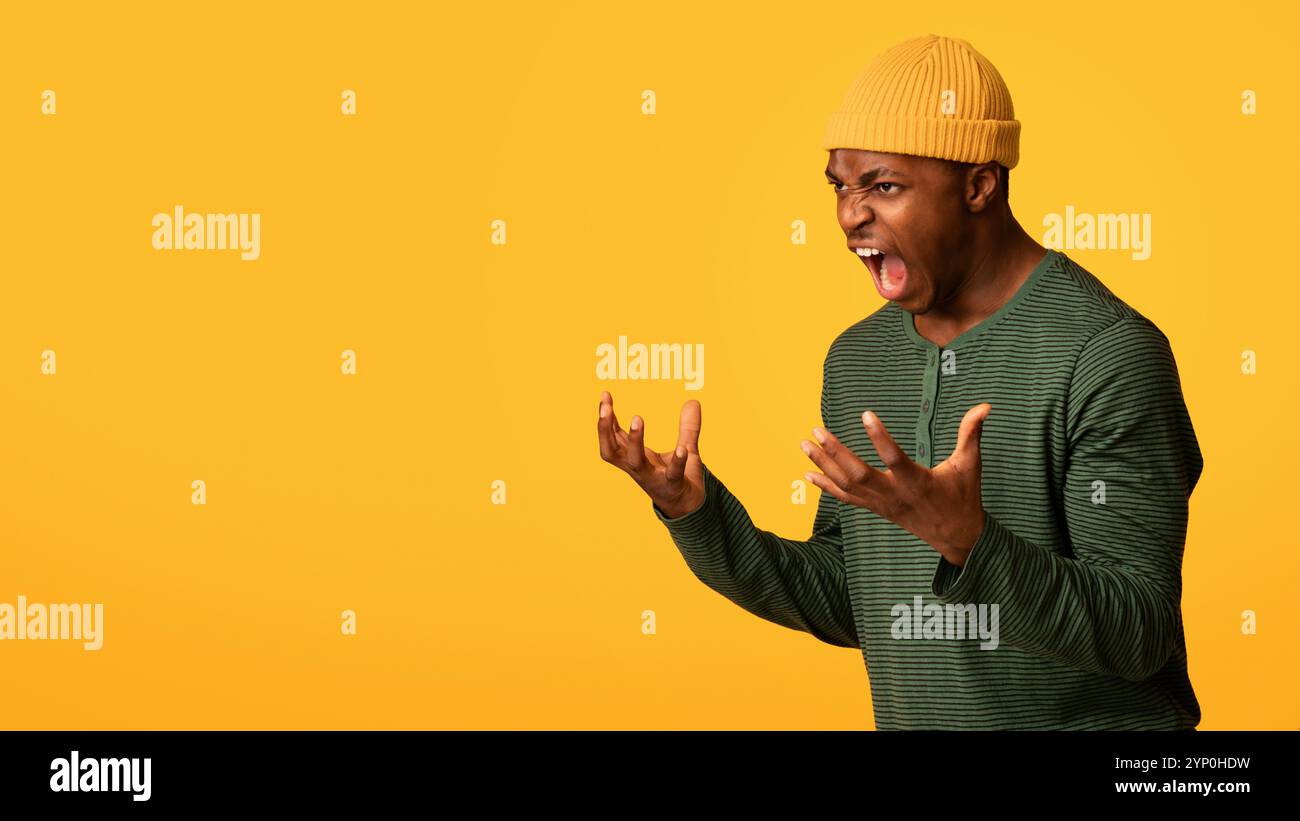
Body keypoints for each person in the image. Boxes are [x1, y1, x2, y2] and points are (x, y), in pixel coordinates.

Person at [595, 34, 1203, 730]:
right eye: (840, 186)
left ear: (979, 185)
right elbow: (854, 597)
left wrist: (969, 539)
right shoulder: (858, 360)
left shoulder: (1107, 353)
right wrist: (697, 514)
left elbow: (1140, 627)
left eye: (884, 185)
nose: (852, 214)